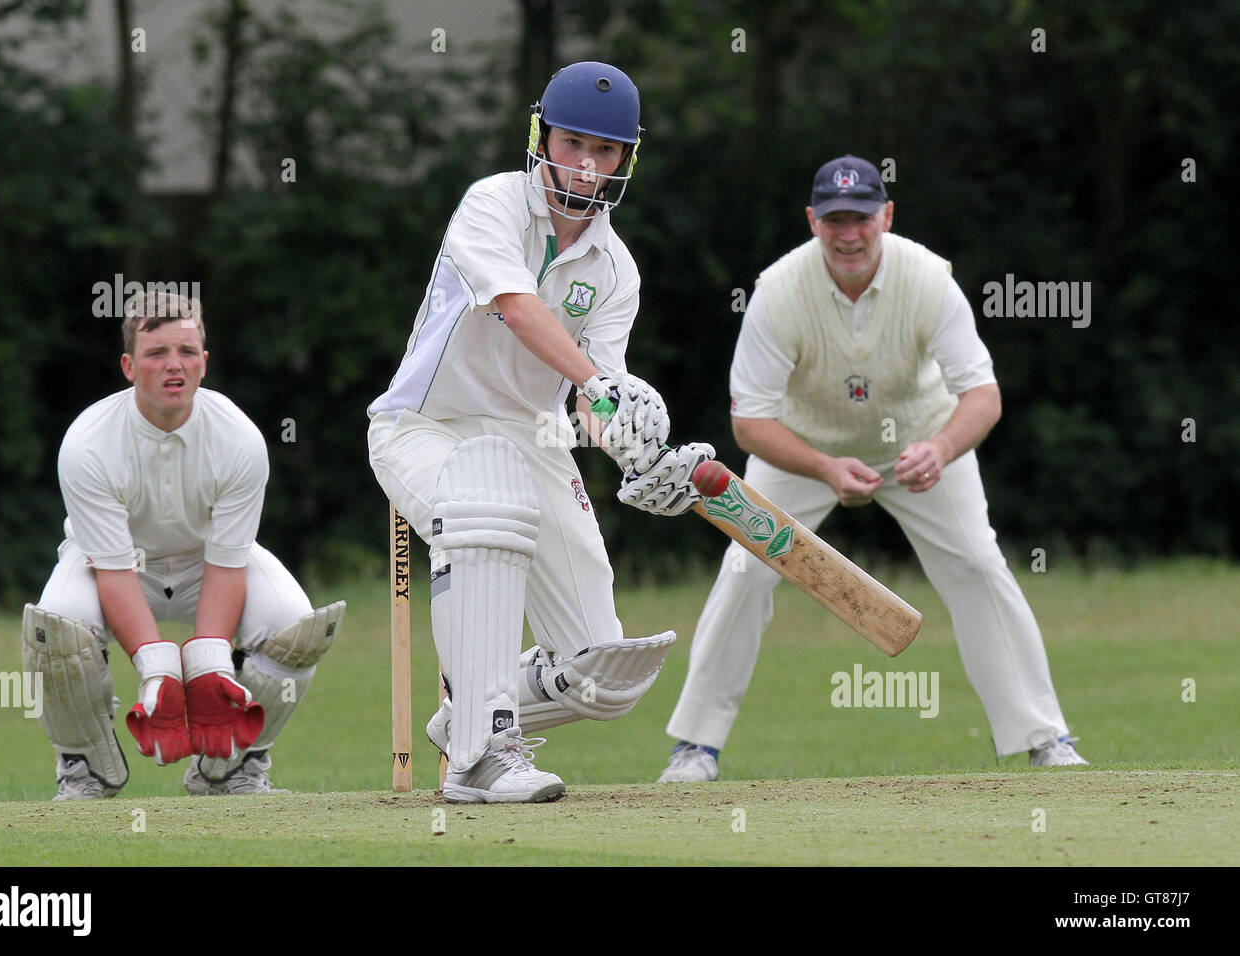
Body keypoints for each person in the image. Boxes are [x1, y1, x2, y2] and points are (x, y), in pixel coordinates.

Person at [658, 155, 1087, 782]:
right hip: (804, 449)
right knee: (747, 568)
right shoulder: (778, 292)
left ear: (886, 215)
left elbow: (983, 396)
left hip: (920, 445)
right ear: (813, 221)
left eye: (861, 217)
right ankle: (694, 748)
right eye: (834, 219)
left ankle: (1045, 736)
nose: (848, 233)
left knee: (977, 564)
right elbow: (750, 423)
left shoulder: (930, 279)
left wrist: (939, 451)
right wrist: (825, 466)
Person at [368, 61, 713, 804]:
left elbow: (600, 398)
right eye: (572, 142)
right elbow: (520, 311)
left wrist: (640, 454)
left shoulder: (617, 269)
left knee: (603, 672)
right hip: (425, 424)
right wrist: (595, 383)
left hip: (538, 436)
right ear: (541, 136)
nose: (587, 164)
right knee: (484, 510)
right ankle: (481, 756)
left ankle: (469, 715)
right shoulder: (489, 204)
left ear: (628, 157)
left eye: (607, 150)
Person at [24, 291, 344, 800]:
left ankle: (230, 769)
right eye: (156, 354)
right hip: (114, 566)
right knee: (55, 632)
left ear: (204, 362)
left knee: (295, 628)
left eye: (187, 352)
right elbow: (114, 569)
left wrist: (208, 667)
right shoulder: (88, 442)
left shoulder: (239, 437)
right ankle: (86, 768)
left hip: (209, 565)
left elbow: (226, 562)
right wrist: (157, 668)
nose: (174, 365)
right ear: (129, 366)